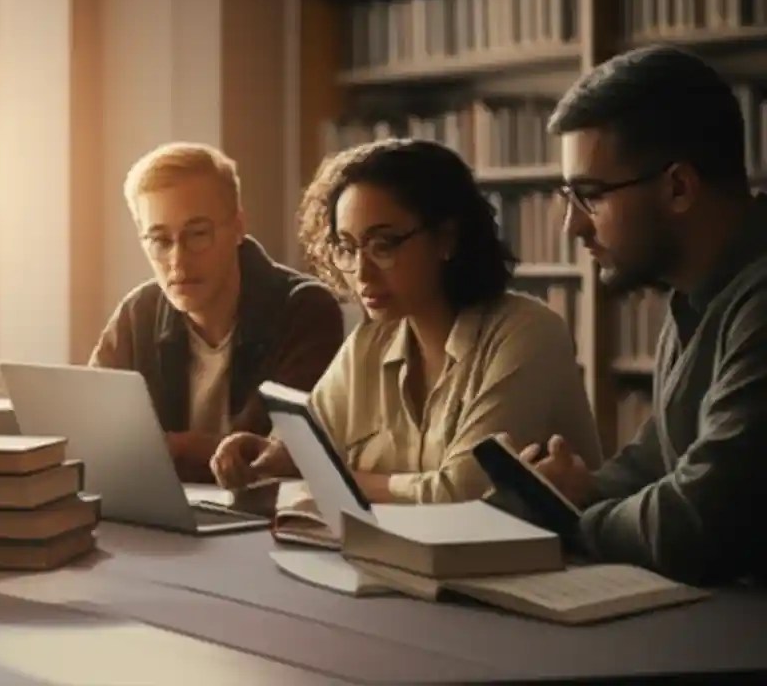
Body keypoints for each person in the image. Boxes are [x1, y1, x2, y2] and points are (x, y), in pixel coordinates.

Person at [211, 139, 603, 503]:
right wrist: (268, 455)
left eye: (383, 245)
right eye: (346, 248)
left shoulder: (528, 334)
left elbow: (460, 493)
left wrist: (327, 478)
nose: (361, 273)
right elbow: (304, 451)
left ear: (447, 238)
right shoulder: (371, 341)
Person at [518, 45, 767, 585]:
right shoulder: (696, 292)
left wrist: (576, 520)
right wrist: (580, 489)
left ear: (679, 186)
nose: (572, 228)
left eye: (590, 196)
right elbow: (658, 458)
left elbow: (697, 523)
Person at [90, 142, 345, 483]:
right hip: (164, 516)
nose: (178, 261)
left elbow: (274, 457)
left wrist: (171, 449)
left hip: (267, 519)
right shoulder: (139, 313)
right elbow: (97, 439)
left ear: (238, 227)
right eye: (160, 241)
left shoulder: (305, 309)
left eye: (197, 234)